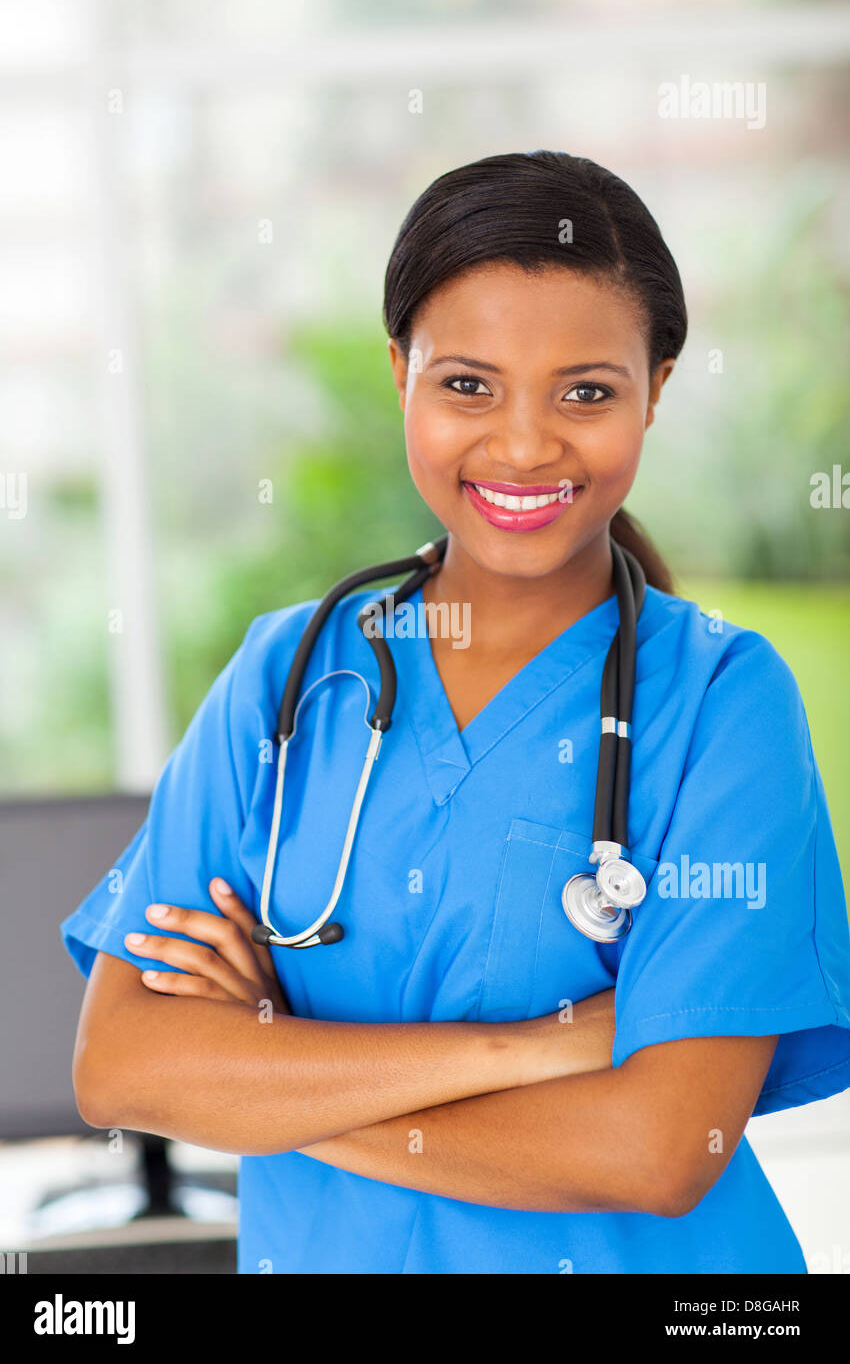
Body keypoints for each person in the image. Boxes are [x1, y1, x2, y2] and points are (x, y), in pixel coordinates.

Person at [61, 150, 850, 1275]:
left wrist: (262, 1076)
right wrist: (532, 1050)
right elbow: (124, 1067)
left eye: (585, 390)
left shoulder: (724, 701)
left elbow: (662, 1145)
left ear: (656, 388)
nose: (524, 445)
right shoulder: (285, 678)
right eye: (466, 385)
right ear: (400, 376)